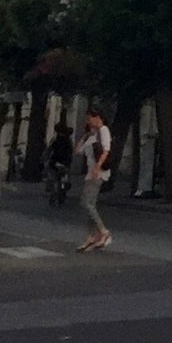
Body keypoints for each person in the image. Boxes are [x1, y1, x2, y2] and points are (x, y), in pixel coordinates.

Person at [74, 107, 112, 253]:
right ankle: (91, 236)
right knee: (91, 204)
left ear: (97, 117)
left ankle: (103, 231)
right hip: (91, 172)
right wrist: (84, 137)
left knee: (85, 202)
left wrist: (97, 167)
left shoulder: (104, 130)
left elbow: (106, 150)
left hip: (98, 173)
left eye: (89, 118)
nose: (88, 121)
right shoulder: (92, 136)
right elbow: (78, 151)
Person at [45, 119, 74, 198]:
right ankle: (62, 190)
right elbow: (71, 151)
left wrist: (45, 158)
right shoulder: (69, 140)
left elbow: (49, 149)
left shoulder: (55, 139)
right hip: (65, 163)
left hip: (55, 161)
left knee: (52, 178)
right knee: (65, 178)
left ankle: (53, 191)